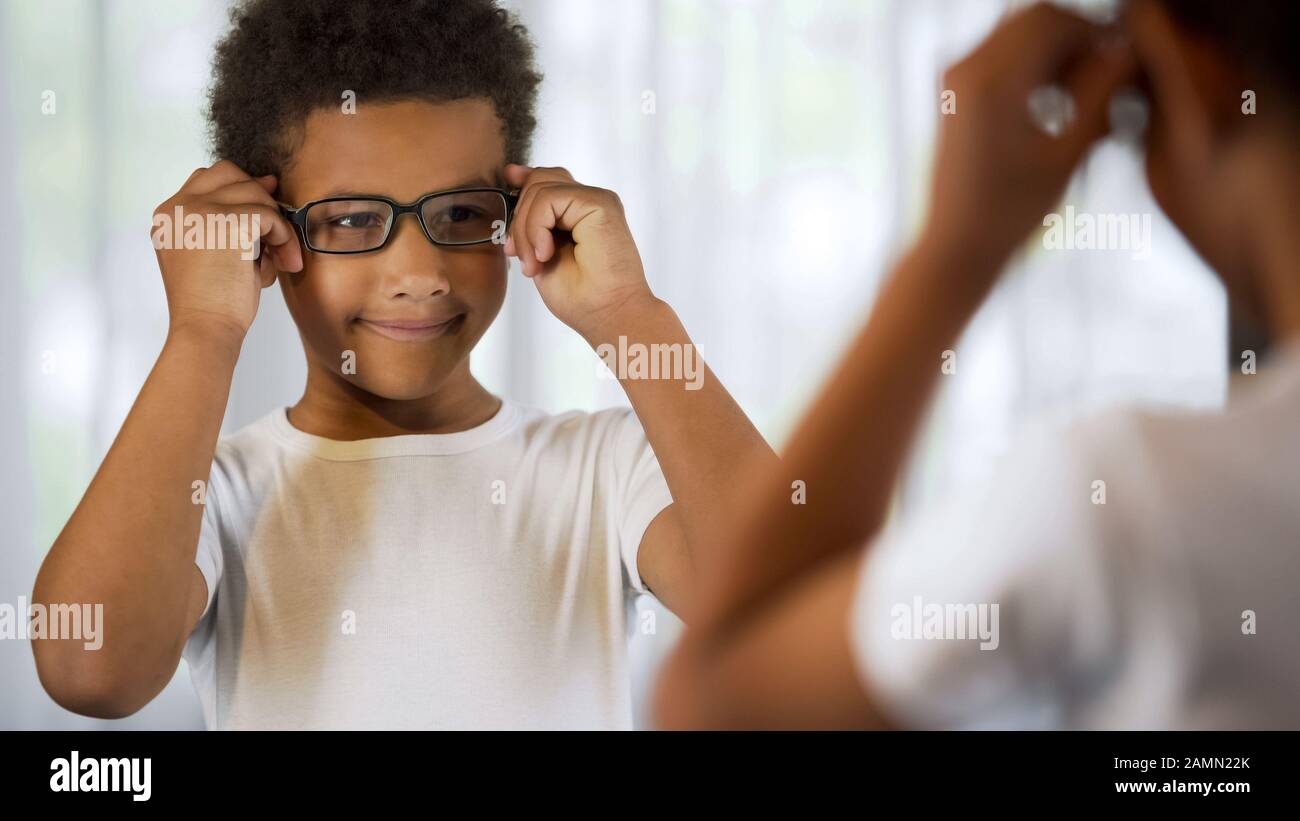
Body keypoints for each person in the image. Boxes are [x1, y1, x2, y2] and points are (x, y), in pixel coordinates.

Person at [31, 0, 771, 729]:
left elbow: (785, 612)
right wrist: (202, 329)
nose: (420, 273)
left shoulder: (608, 468)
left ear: (514, 215)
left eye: (459, 214)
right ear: (262, 234)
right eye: (353, 218)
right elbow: (91, 669)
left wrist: (630, 316)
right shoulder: (213, 494)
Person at [654, 0, 1300, 730]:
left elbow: (716, 701)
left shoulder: (1133, 499)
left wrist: (954, 254)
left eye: (1137, 113)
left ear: (1194, 70)